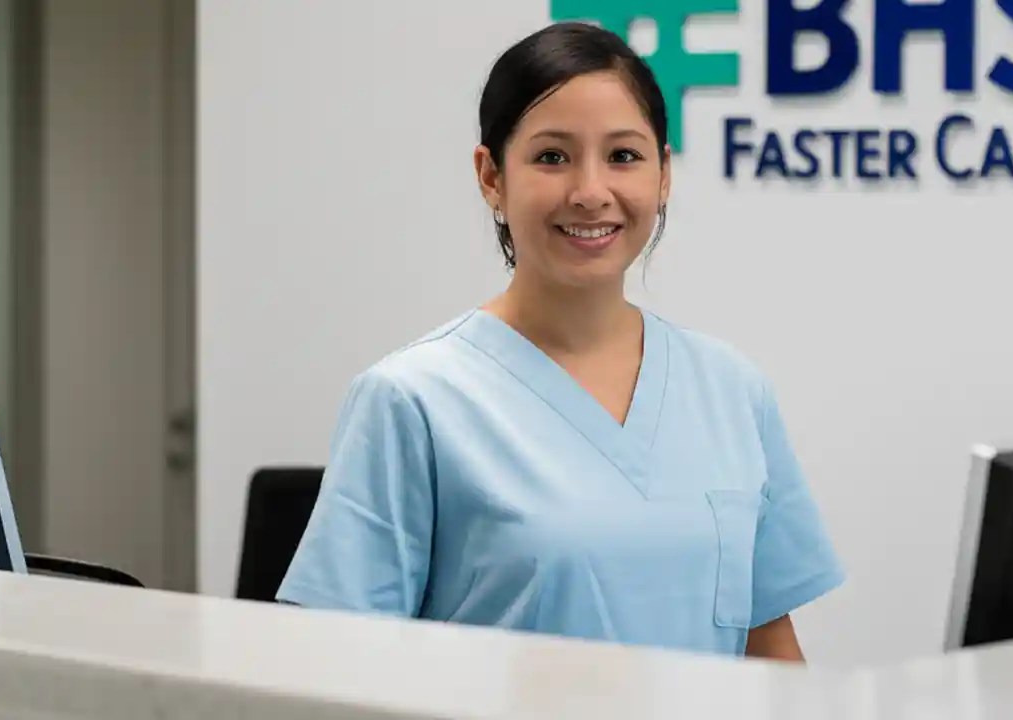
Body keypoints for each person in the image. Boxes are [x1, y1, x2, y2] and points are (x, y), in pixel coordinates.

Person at [276, 21, 843, 661]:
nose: (591, 193)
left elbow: (768, 646)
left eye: (623, 156)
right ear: (491, 176)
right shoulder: (412, 401)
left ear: (663, 174)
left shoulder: (731, 389)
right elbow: (336, 667)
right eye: (552, 157)